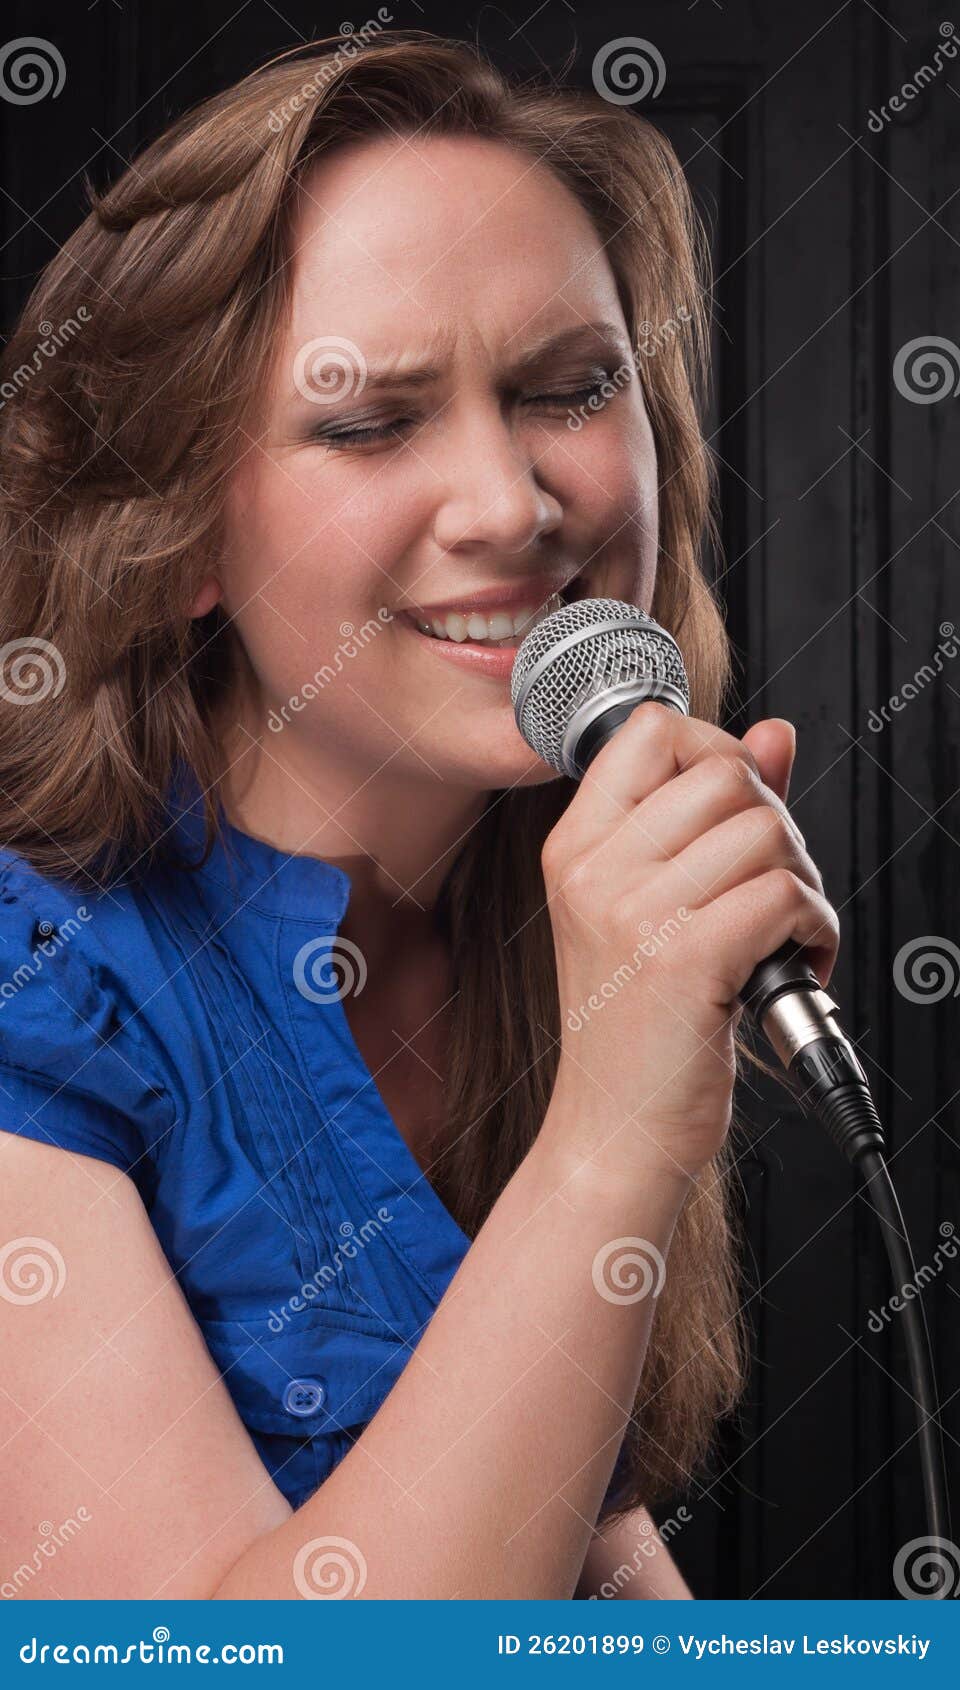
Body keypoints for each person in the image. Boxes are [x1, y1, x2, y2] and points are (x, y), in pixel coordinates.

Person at [0, 31, 836, 1600]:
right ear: (172, 535)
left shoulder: (545, 918)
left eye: (570, 389)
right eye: (374, 420)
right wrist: (610, 1143)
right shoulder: (33, 986)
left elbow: (584, 1593)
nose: (515, 506)